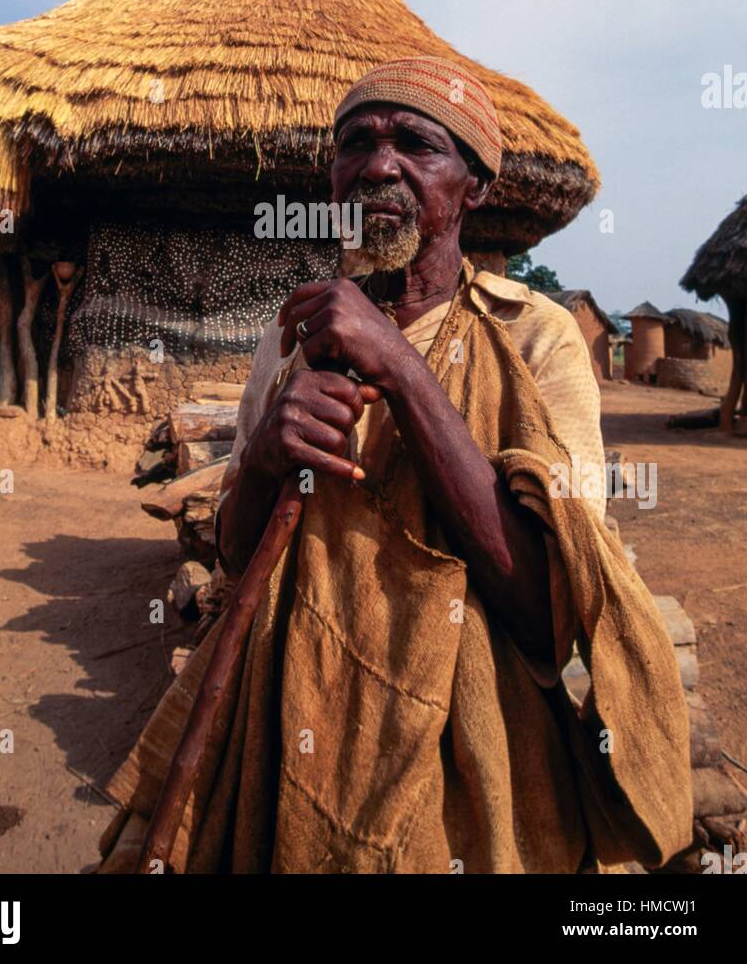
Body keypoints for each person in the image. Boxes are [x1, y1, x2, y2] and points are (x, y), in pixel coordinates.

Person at [99, 57, 692, 874]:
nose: (379, 165)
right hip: (291, 718)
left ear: (474, 185)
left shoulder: (535, 338)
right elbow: (238, 556)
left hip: (469, 757)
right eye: (355, 145)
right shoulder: (293, 334)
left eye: (417, 143)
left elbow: (544, 611)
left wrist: (402, 370)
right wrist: (269, 451)